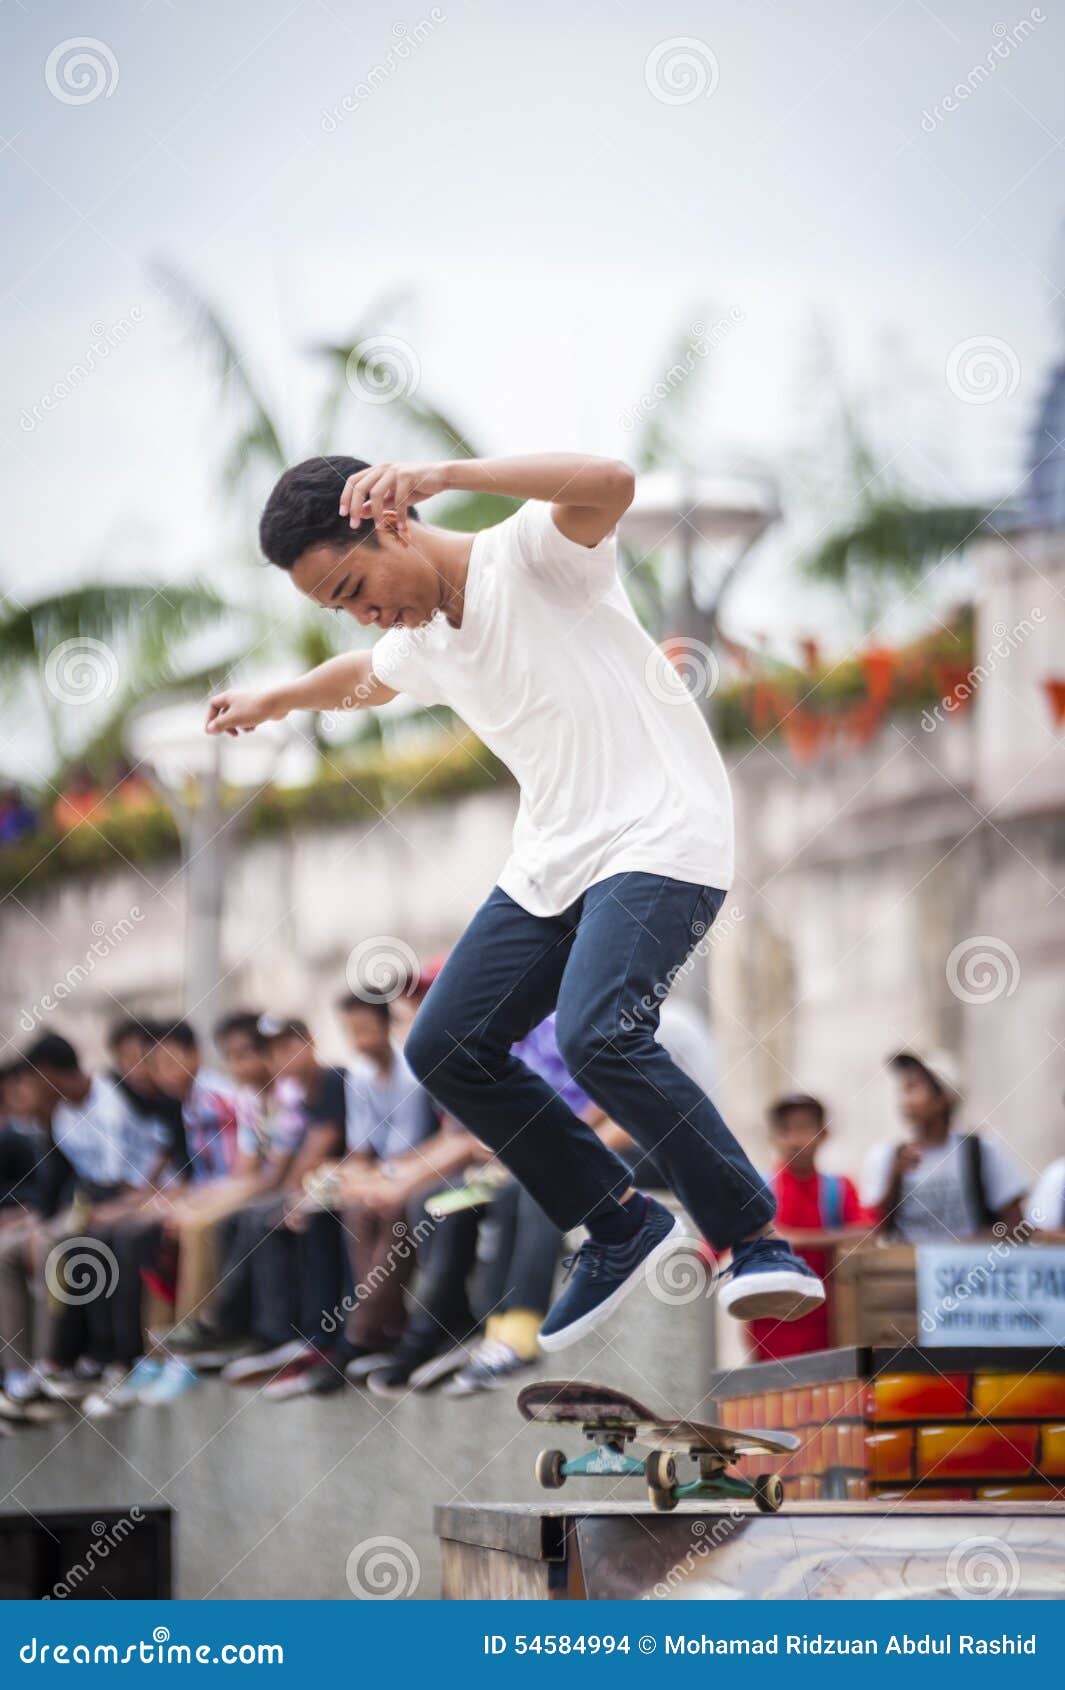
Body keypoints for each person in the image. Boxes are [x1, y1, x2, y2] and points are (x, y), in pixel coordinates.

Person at [206, 452, 823, 1348]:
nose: (368, 613)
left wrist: (447, 471)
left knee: (599, 1033)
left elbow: (608, 481)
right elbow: (367, 677)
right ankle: (615, 1223)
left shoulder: (531, 554)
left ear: (390, 523)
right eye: (342, 608)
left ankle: (756, 1241)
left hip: (659, 835)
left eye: (357, 585)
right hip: (552, 862)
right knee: (444, 1045)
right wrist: (279, 698)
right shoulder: (420, 641)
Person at [745, 1094, 869, 1361]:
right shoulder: (760, 1189)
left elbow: (867, 1233)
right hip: (770, 1329)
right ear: (773, 1138)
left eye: (804, 1128)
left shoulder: (838, 1189)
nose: (795, 1139)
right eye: (785, 1130)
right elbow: (724, 1237)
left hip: (829, 1329)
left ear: (823, 1134)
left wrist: (790, 1238)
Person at [862, 1049, 1027, 1241]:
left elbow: (1016, 1223)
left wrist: (966, 1247)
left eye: (914, 1087)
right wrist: (896, 1177)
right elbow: (873, 1230)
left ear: (944, 1098)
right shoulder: (886, 1155)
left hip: (971, 1267)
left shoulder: (981, 1150)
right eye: (904, 1088)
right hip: (905, 1269)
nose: (905, 1099)